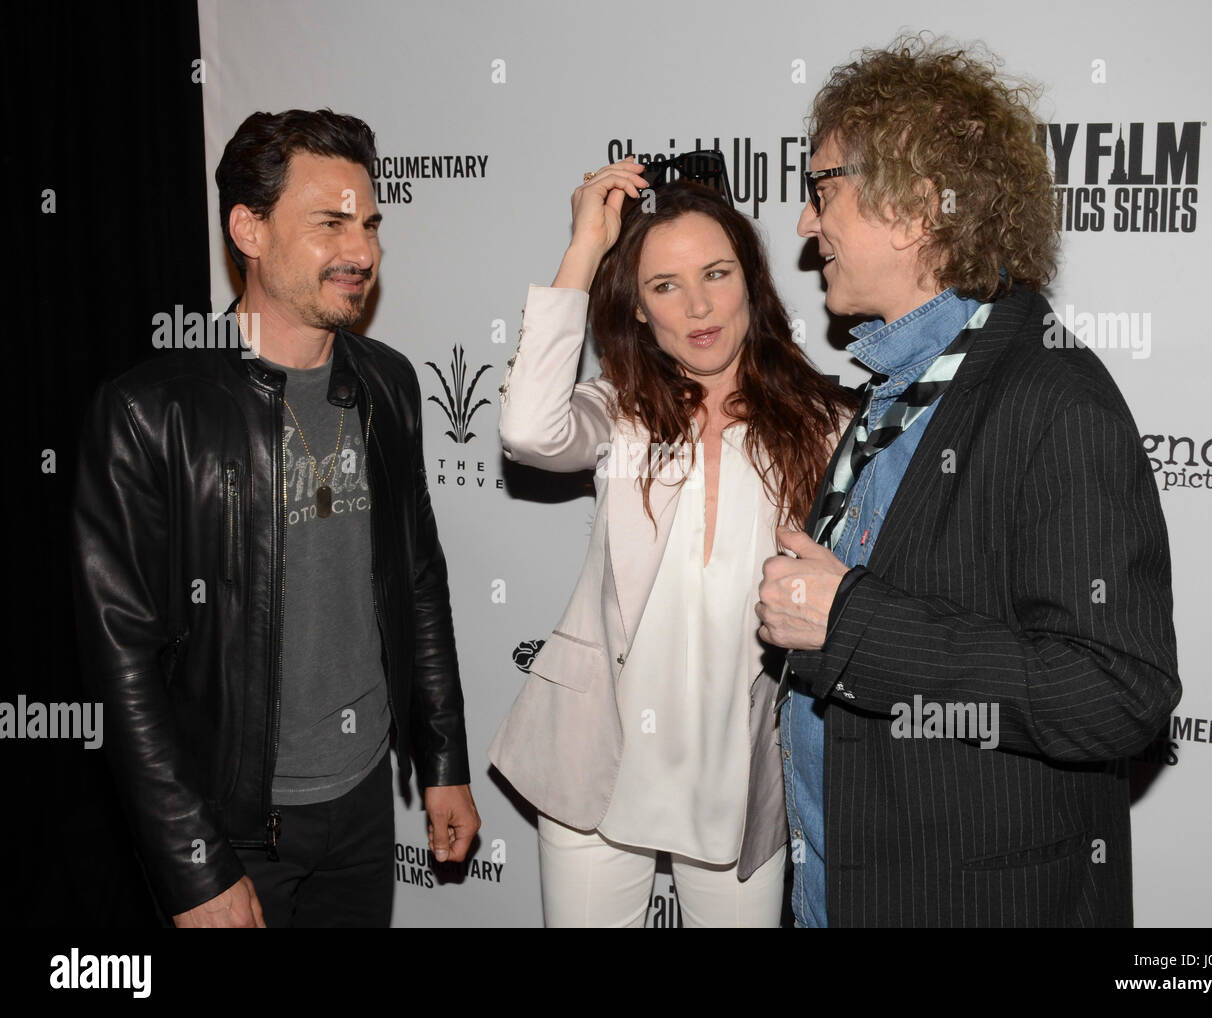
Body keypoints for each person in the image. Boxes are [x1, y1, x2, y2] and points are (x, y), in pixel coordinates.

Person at [756, 36, 1181, 927]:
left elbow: (1118, 694)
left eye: (823, 187)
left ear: (913, 207)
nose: (804, 224)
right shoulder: (899, 386)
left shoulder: (1053, 398)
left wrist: (852, 623)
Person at [70, 109, 479, 927]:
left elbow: (418, 583)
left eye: (368, 224)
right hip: (230, 825)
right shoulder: (150, 413)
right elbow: (122, 672)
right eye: (330, 223)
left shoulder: (389, 384)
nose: (360, 251)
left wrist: (443, 760)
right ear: (248, 229)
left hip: (364, 801)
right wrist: (194, 866)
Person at [489, 158, 856, 927]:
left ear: (753, 282)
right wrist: (587, 245)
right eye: (664, 286)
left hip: (735, 761)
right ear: (639, 312)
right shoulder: (618, 411)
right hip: (599, 757)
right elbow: (526, 430)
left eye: (717, 273)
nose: (698, 306)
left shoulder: (828, 424)